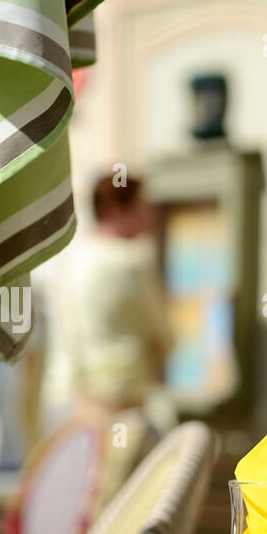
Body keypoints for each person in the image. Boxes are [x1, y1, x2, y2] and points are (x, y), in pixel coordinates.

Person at [38, 175, 174, 428]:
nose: (150, 213)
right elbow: (161, 333)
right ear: (114, 210)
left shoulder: (72, 258)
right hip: (123, 394)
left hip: (72, 396)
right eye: (141, 205)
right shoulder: (131, 260)